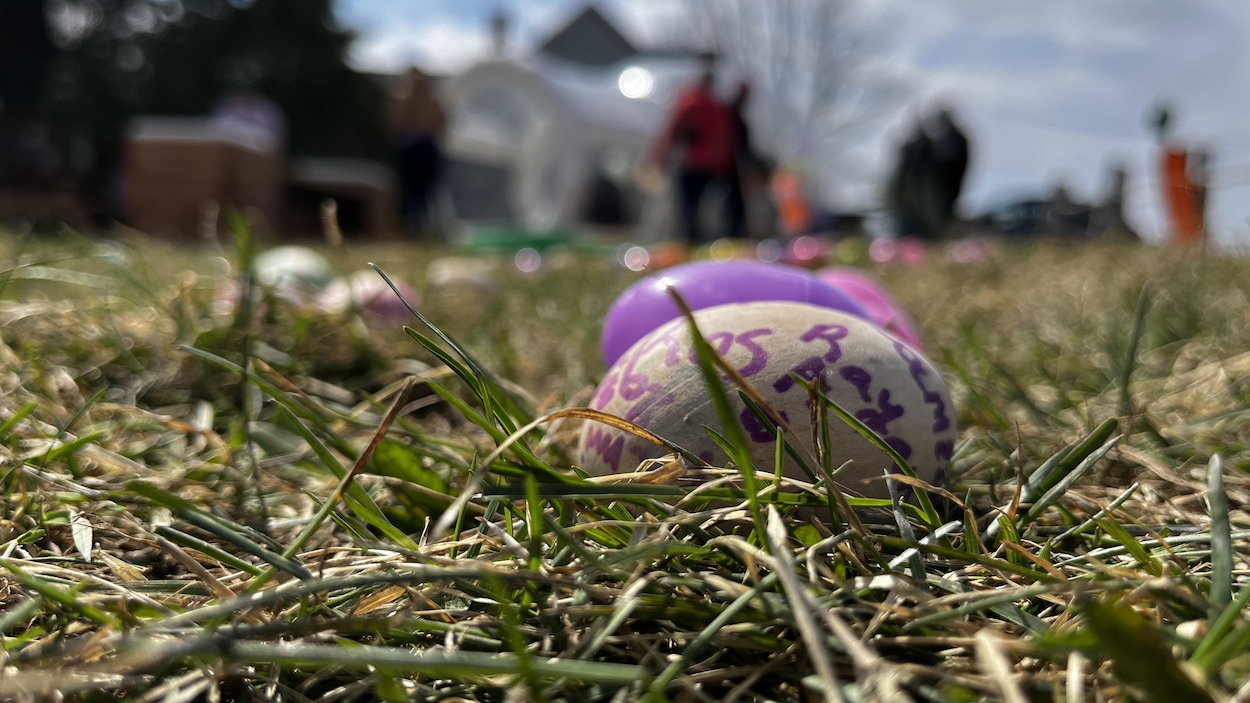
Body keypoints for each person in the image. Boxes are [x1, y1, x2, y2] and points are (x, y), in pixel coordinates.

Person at [645, 54, 735, 246]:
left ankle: (689, 240)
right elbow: (724, 140)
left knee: (689, 206)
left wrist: (659, 156)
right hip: (713, 165)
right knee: (704, 207)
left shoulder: (691, 102)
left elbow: (673, 129)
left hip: (693, 162)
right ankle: (701, 241)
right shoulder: (718, 107)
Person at [389, 66, 448, 236]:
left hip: (427, 148)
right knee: (407, 191)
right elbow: (395, 124)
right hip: (408, 148)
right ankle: (406, 229)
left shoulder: (433, 101)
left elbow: (442, 122)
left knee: (427, 192)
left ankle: (425, 228)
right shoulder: (401, 98)